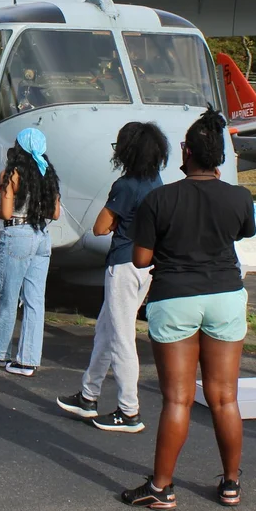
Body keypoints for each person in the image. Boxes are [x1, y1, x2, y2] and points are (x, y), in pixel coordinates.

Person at [120, 108, 255, 511]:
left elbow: (141, 260)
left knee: (177, 399)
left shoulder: (160, 198)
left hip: (175, 295)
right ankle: (231, 483)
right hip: (226, 295)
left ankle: (161, 487)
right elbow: (242, 233)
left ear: (187, 151)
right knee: (225, 398)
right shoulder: (239, 196)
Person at [58, 121, 169, 432]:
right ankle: (89, 395)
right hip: (145, 266)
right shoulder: (156, 181)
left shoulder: (125, 186)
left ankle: (129, 410)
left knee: (120, 337)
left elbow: (99, 227)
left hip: (122, 264)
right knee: (107, 331)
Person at [0, 127, 62, 376]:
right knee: (35, 301)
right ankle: (27, 360)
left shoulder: (11, 174)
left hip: (17, 235)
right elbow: (55, 213)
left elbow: (5, 213)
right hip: (41, 237)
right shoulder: (48, 174)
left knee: (8, 296)